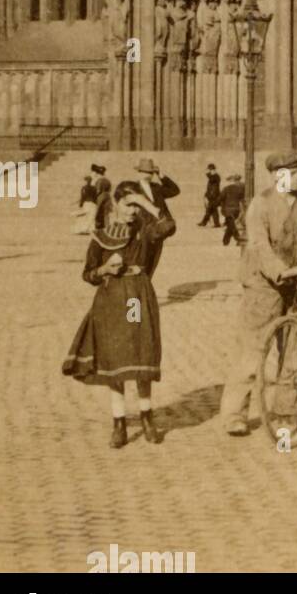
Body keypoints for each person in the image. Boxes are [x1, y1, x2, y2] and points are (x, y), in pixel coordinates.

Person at [218, 151, 297, 436]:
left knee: (292, 350)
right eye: (294, 171)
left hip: (296, 284)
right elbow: (259, 245)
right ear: (277, 176)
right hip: (263, 286)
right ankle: (234, 414)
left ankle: (285, 412)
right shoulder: (261, 204)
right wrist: (280, 271)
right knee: (252, 349)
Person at [62, 181, 177, 446]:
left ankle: (147, 417)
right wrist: (104, 270)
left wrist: (146, 202)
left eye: (136, 206)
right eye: (128, 205)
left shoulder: (144, 230)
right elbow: (88, 273)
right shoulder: (101, 235)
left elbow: (169, 226)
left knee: (138, 351)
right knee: (115, 360)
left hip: (135, 297)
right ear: (115, 204)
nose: (132, 212)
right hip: (110, 300)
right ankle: (119, 423)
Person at [219, 173, 246, 247]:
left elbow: (220, 198)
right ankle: (225, 241)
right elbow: (243, 198)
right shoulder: (242, 187)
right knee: (230, 224)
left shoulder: (227, 188)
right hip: (237, 209)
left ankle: (238, 238)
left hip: (228, 210)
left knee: (231, 225)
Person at [199, 163, 223, 228]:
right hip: (211, 196)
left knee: (210, 210)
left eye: (210, 170)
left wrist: (207, 174)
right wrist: (206, 194)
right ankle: (216, 223)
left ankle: (204, 222)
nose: (209, 171)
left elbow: (212, 180)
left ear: (212, 170)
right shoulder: (214, 176)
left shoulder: (216, 176)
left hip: (214, 196)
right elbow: (209, 187)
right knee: (213, 210)